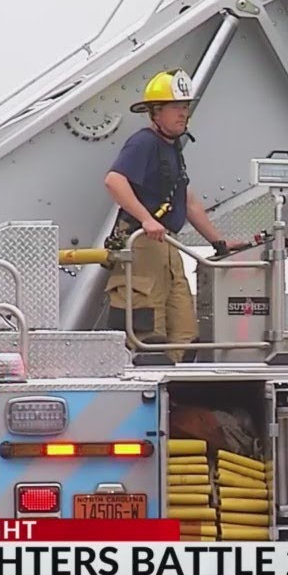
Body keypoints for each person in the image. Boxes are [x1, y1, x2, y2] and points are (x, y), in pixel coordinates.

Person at [102, 68, 237, 362]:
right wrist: (147, 219)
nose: (183, 113)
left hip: (168, 245)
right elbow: (114, 180)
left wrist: (219, 243)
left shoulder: (173, 148)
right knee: (148, 332)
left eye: (185, 106)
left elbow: (188, 202)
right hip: (143, 244)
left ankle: (176, 383)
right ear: (155, 112)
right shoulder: (144, 142)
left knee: (185, 335)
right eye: (176, 107)